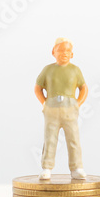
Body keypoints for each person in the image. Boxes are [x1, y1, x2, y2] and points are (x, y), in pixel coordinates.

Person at [34, 38, 88, 180]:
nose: (64, 53)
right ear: (53, 52)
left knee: (73, 138)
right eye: (61, 50)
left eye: (68, 51)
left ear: (72, 54)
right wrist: (44, 103)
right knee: (50, 138)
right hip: (52, 108)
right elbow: (38, 88)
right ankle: (47, 167)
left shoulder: (75, 70)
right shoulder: (48, 70)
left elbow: (84, 88)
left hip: (70, 108)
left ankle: (77, 168)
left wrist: (78, 103)